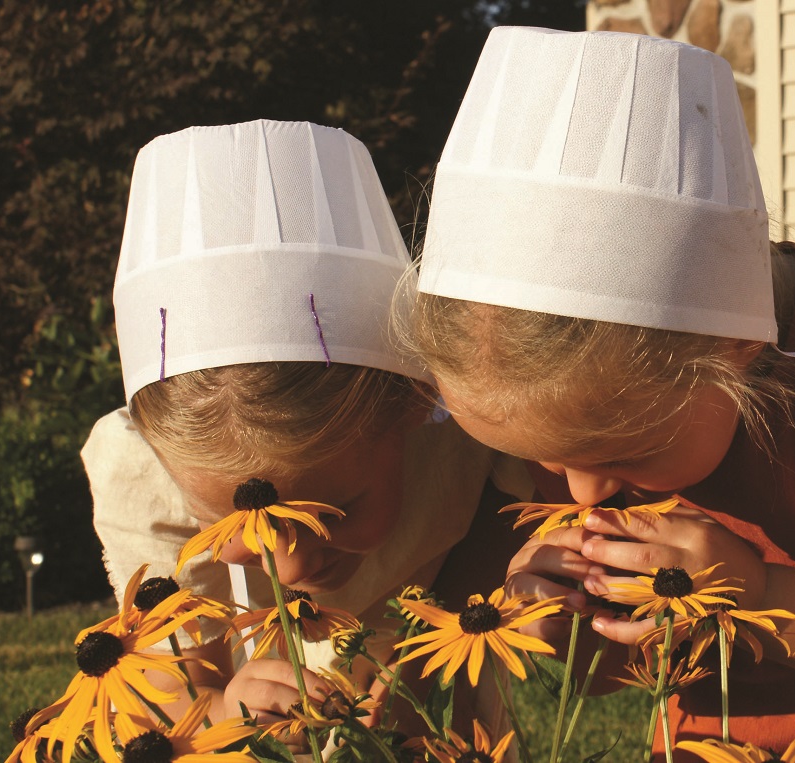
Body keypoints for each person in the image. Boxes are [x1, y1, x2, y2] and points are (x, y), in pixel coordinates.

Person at [403, 27, 795, 759]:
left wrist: (760, 595)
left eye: (623, 450)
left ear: (734, 349)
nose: (583, 494)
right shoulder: (618, 408)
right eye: (549, 462)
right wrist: (574, 625)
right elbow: (627, 674)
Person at [85, 119, 531, 729]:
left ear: (411, 402)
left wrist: (421, 672)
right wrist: (223, 713)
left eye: (333, 513)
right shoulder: (141, 478)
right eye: (230, 525)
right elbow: (170, 683)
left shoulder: (462, 428)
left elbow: (498, 530)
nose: (292, 570)